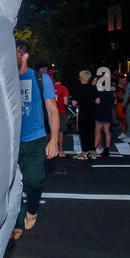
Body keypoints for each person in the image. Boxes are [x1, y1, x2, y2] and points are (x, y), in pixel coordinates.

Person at [11, 41, 60, 238]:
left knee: (34, 180)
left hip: (35, 139)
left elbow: (52, 110)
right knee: (12, 185)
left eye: (14, 53)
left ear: (24, 56)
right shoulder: (6, 78)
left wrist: (54, 140)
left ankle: (32, 209)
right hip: (12, 142)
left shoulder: (41, 78)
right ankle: (17, 221)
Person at [70, 70, 99, 159]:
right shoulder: (93, 88)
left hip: (83, 113)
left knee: (83, 133)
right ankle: (93, 152)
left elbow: (74, 103)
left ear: (80, 78)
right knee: (91, 132)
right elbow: (98, 101)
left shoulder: (78, 88)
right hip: (93, 113)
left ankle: (84, 152)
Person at [49, 68, 70, 156]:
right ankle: (60, 151)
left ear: (53, 79)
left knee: (51, 131)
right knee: (61, 132)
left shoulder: (50, 87)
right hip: (61, 111)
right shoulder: (64, 88)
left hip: (51, 111)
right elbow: (65, 102)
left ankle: (50, 149)